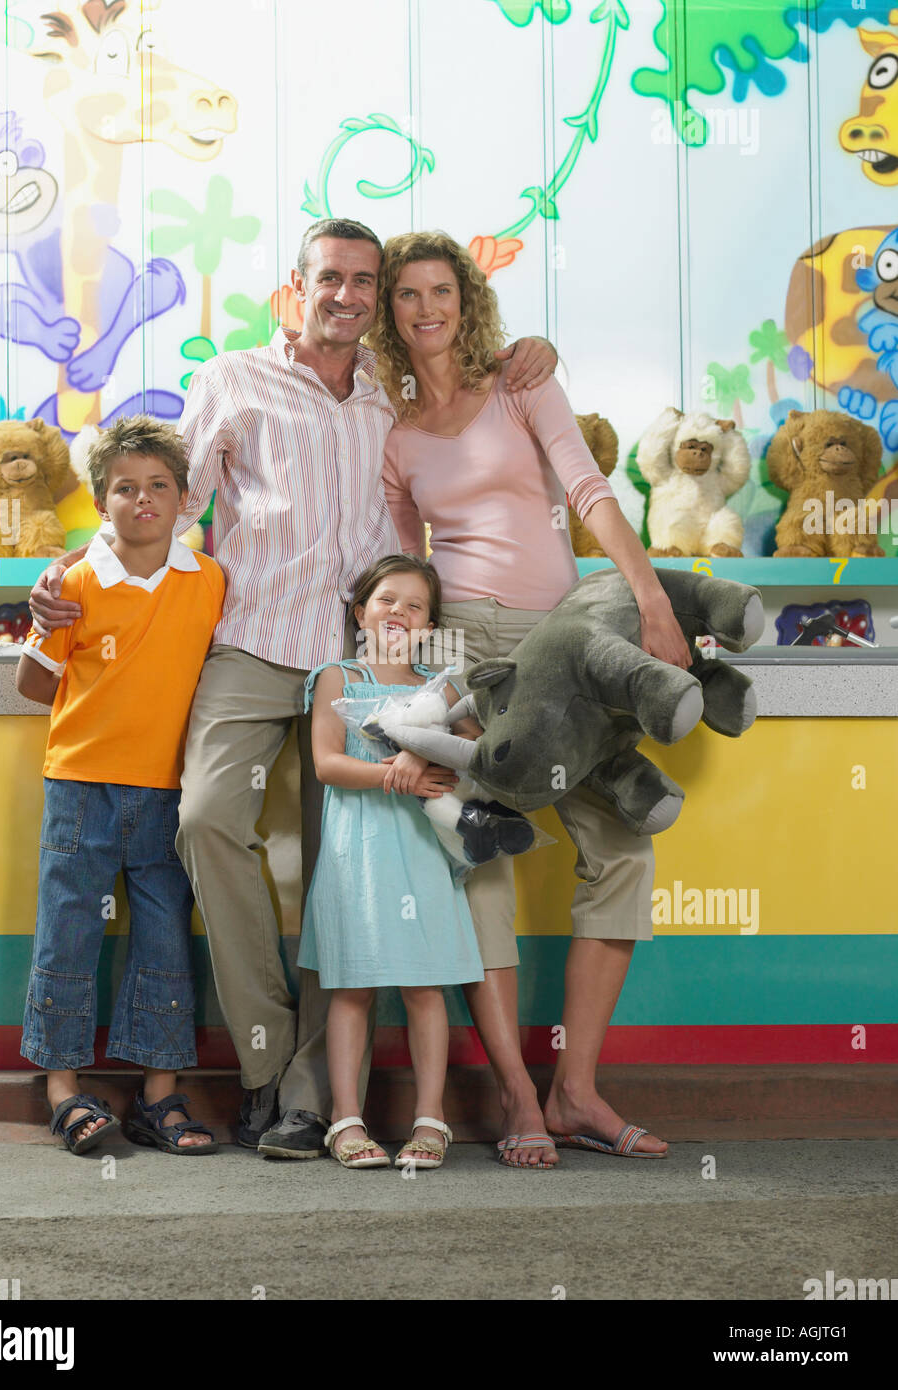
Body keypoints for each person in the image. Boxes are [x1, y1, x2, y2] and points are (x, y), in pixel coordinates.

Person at [28, 217, 558, 1159]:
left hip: (355, 667)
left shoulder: (392, 392)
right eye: (331, 279)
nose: (348, 295)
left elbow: (465, 388)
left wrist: (528, 351)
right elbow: (166, 502)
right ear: (297, 285)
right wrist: (74, 567)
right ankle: (270, 1055)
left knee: (339, 871)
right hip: (246, 644)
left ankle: (309, 1100)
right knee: (202, 822)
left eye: (366, 281)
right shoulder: (232, 377)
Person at [370, 230, 693, 1167]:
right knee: (481, 855)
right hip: (470, 649)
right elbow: (408, 572)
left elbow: (588, 489)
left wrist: (648, 599)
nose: (427, 310)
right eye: (407, 297)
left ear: (467, 301)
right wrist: (413, 698)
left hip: (567, 640)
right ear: (391, 316)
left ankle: (576, 1091)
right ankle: (517, 1092)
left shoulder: (522, 383)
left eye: (442, 291)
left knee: (621, 845)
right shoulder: (394, 437)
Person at [16, 416, 225, 1155]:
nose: (143, 500)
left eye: (158, 487)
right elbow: (31, 684)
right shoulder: (73, 581)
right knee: (68, 930)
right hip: (80, 787)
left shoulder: (210, 581)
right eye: (124, 489)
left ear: (183, 498)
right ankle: (64, 1090)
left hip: (168, 790)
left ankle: (159, 1095)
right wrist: (45, 620)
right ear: (103, 503)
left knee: (166, 936)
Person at [302, 554, 485, 1168]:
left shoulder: (444, 689)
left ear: (430, 626)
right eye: (386, 600)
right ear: (360, 613)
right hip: (358, 852)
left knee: (423, 986)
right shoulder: (338, 678)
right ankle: (345, 1120)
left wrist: (424, 759)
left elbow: (471, 755)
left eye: (414, 606)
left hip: (422, 855)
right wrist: (395, 772)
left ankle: (430, 1122)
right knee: (352, 987)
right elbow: (327, 764)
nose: (399, 613)